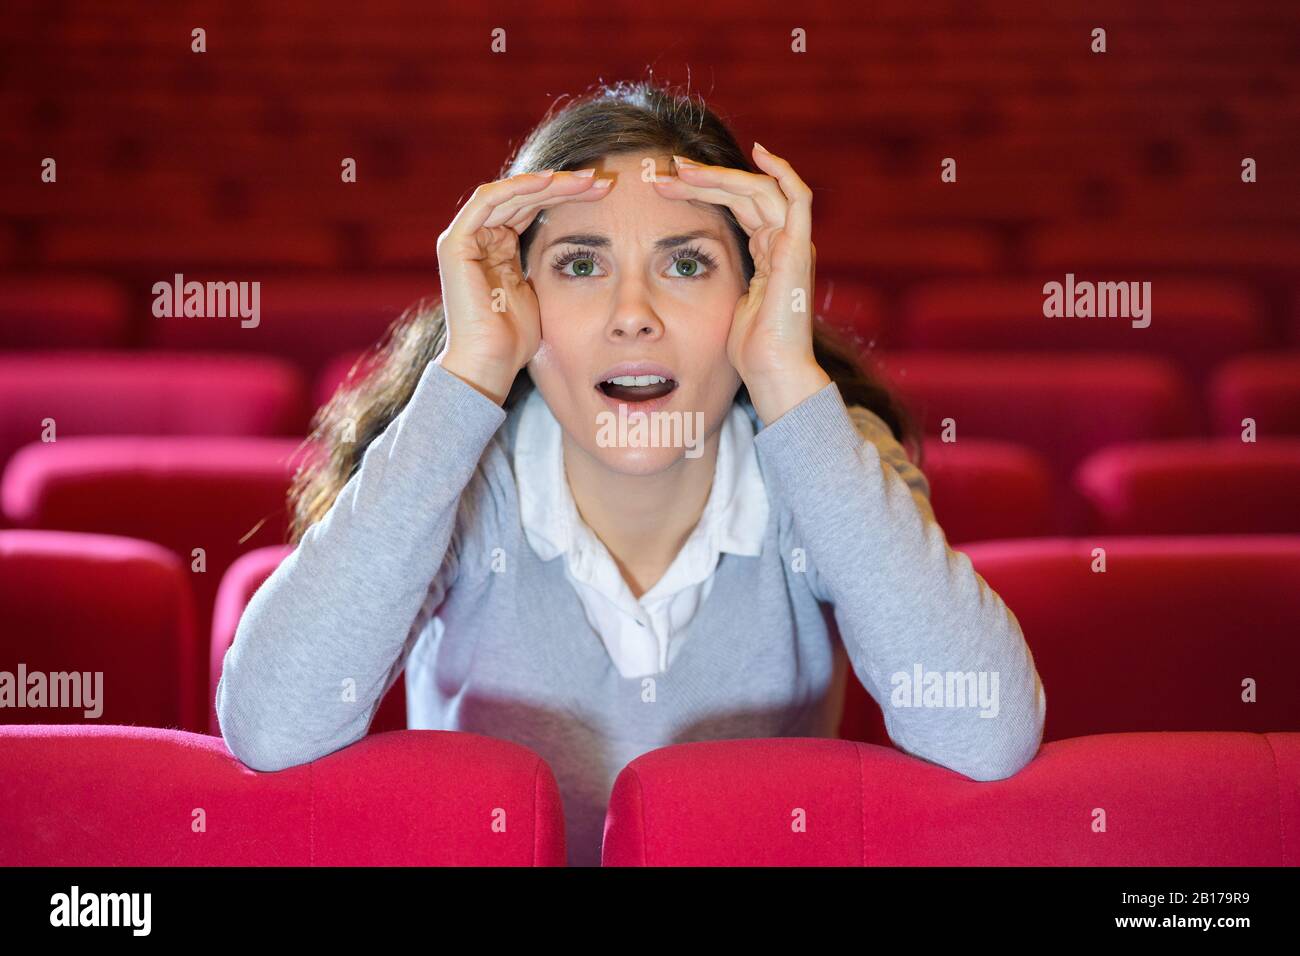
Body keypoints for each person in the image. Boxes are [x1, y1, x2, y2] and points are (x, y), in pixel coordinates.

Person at [216, 79, 1046, 867]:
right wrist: (466, 378)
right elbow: (271, 728)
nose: (634, 315)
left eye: (687, 264)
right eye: (581, 264)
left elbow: (985, 731)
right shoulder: (458, 468)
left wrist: (791, 383)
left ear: (755, 295)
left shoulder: (828, 452)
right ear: (517, 296)